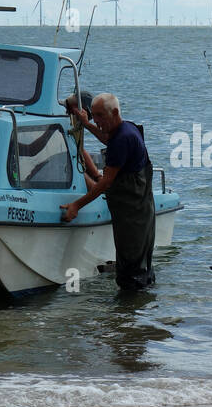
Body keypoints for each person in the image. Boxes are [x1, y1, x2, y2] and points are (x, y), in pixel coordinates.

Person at [60, 92, 156, 290]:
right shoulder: (125, 128)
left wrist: (76, 205)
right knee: (139, 264)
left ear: (115, 112)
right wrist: (86, 124)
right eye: (94, 115)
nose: (97, 120)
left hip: (133, 213)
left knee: (131, 269)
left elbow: (105, 182)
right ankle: (137, 312)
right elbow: (107, 138)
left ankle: (128, 312)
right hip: (140, 207)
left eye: (100, 116)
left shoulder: (122, 139)